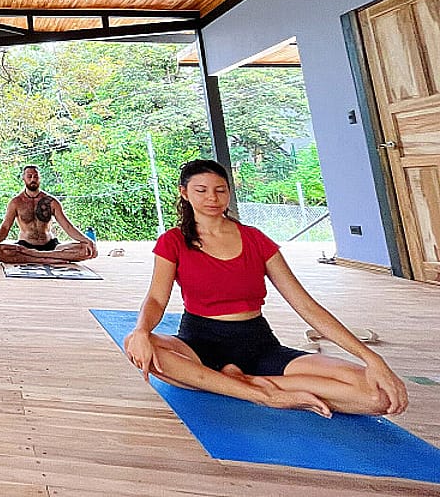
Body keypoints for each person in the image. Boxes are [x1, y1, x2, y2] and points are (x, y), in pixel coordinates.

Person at [122, 159, 408, 417]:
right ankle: (261, 393)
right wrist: (142, 331)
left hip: (258, 345)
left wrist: (372, 358)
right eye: (201, 190)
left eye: (220, 190)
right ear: (184, 193)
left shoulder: (255, 239)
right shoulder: (173, 241)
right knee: (137, 347)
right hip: (199, 343)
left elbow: (305, 305)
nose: (212, 197)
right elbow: (157, 299)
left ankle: (241, 381)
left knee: (379, 397)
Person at [0, 165, 97, 264]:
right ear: (23, 178)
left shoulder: (51, 202)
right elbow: (5, 227)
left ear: (40, 178)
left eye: (36, 176)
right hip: (24, 246)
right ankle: (50, 259)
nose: (32, 179)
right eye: (29, 176)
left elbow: (68, 226)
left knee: (85, 249)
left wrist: (87, 241)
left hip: (50, 246)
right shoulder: (16, 202)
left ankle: (38, 257)